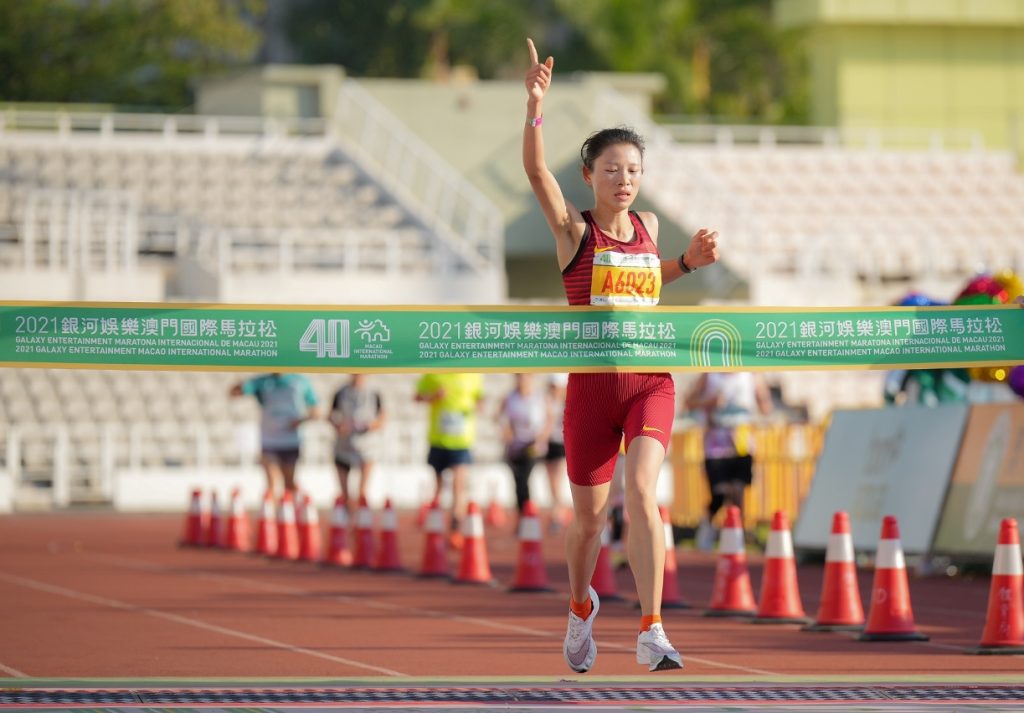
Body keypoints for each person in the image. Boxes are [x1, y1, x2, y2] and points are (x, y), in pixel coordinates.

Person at [523, 38, 719, 674]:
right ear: (590, 176)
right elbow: (536, 175)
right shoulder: (573, 232)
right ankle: (581, 607)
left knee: (642, 492)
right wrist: (534, 108)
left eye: (633, 170)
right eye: (612, 170)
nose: (624, 180)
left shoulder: (651, 228)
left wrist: (686, 262)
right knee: (587, 523)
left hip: (647, 383)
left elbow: (652, 277)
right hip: (590, 391)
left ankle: (652, 628)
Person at [683, 372, 773, 550]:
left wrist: (761, 403)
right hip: (715, 443)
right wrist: (709, 402)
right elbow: (688, 402)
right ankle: (708, 527)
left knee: (738, 491)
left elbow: (766, 407)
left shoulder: (751, 375)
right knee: (719, 493)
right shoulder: (709, 375)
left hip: (742, 442)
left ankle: (735, 538)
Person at [415, 372, 484, 547]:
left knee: (458, 485)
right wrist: (433, 396)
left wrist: (474, 407)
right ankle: (435, 529)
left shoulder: (472, 375)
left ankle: (455, 528)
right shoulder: (434, 373)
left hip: (462, 441)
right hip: (438, 439)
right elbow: (417, 397)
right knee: (438, 488)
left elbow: (480, 399)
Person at [229, 372, 320, 496]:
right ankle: (271, 513)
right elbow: (235, 393)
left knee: (289, 483)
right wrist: (238, 381)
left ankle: (293, 509)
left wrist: (300, 420)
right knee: (272, 482)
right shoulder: (262, 381)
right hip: (269, 439)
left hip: (291, 440)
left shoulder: (300, 381)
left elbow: (316, 411)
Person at [329, 374, 386, 512]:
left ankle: (360, 524)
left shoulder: (374, 392)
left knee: (362, 493)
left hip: (367, 447)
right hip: (344, 445)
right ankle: (346, 521)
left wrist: (372, 425)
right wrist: (339, 426)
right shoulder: (341, 392)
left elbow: (383, 417)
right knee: (345, 494)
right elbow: (331, 415)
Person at [498, 373, 548, 518]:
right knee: (518, 481)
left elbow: (549, 419)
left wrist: (541, 439)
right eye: (519, 377)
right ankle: (523, 513)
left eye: (526, 377)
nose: (522, 380)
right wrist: (506, 433)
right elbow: (501, 418)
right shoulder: (509, 398)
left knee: (524, 478)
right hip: (515, 446)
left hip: (532, 445)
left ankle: (528, 512)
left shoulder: (539, 398)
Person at [542, 373, 572, 532]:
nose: (554, 389)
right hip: (549, 444)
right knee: (550, 482)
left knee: (557, 480)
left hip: (562, 443)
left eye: (556, 386)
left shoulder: (567, 402)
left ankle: (557, 515)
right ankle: (559, 509)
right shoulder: (546, 401)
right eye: (552, 386)